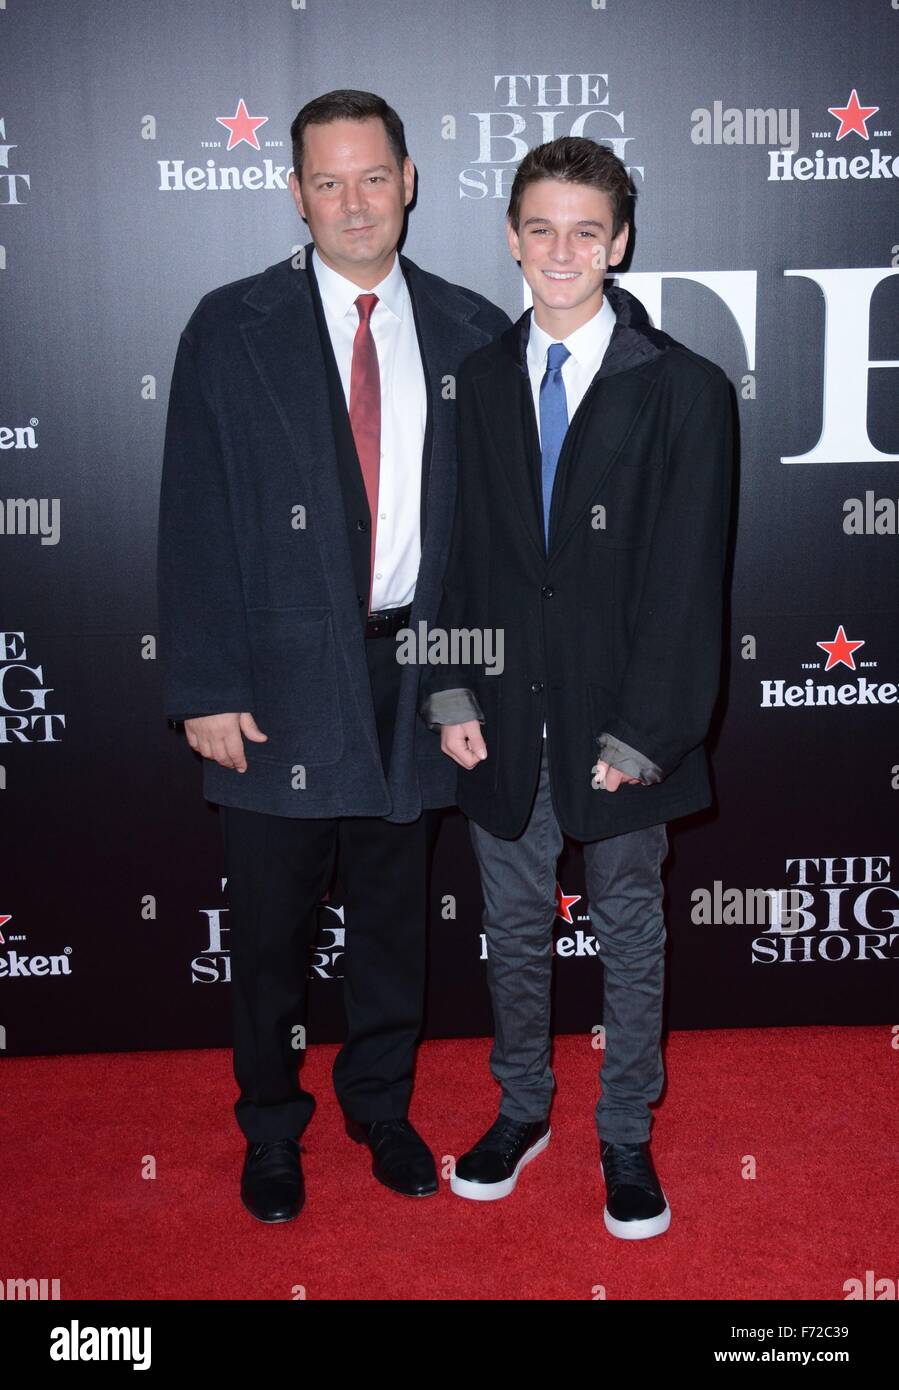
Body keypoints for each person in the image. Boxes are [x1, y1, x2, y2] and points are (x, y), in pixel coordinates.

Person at [156, 89, 510, 1224]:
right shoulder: (230, 323)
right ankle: (271, 1128)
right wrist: (206, 684)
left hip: (409, 673)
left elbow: (479, 548)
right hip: (274, 678)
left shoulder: (467, 327)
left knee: (393, 918)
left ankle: (381, 1107)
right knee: (266, 931)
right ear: (294, 190)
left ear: (408, 181)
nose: (352, 203)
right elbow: (193, 512)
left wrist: (458, 679)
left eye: (372, 177)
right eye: (327, 180)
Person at [420, 136, 734, 1239]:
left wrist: (645, 732)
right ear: (511, 237)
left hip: (622, 728)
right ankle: (520, 1110)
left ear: (620, 243)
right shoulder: (469, 383)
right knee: (510, 929)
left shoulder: (683, 390)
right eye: (540, 228)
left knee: (629, 933)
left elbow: (689, 582)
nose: (562, 251)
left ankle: (623, 1134)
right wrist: (447, 693)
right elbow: (446, 554)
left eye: (585, 231)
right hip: (498, 719)